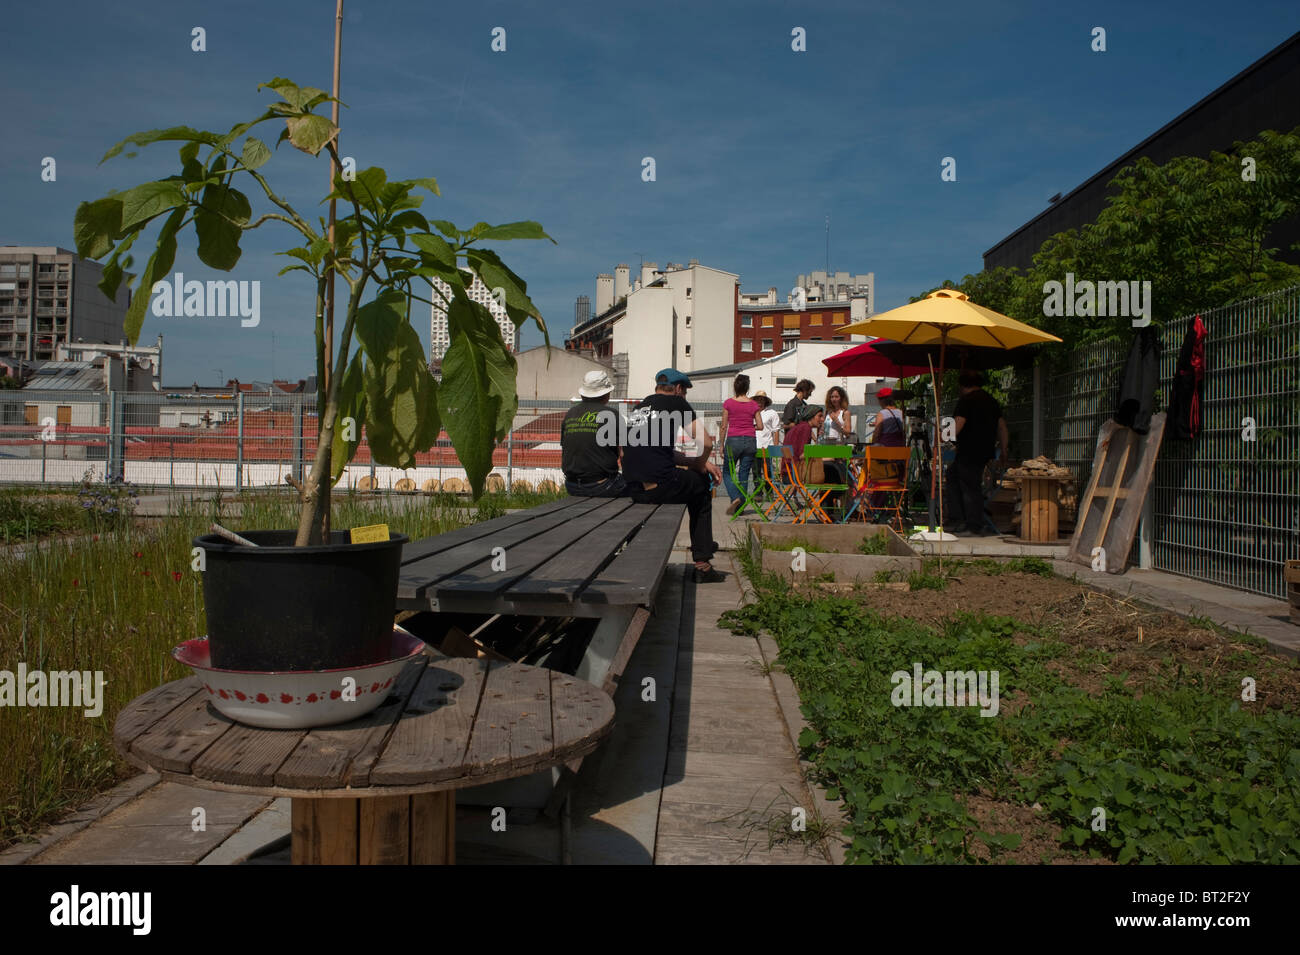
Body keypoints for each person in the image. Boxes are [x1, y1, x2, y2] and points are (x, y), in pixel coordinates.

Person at [623, 368, 726, 582]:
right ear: (678, 389)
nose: (685, 396)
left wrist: (696, 462)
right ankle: (703, 564)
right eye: (685, 392)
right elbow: (706, 441)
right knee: (701, 485)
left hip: (633, 487)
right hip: (661, 485)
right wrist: (700, 465)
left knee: (691, 477)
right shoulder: (676, 403)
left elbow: (659, 452)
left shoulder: (639, 408)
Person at [949, 371, 1009, 535]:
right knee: (954, 476)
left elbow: (958, 424)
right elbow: (1002, 426)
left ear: (962, 386)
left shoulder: (966, 401)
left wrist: (944, 435)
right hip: (986, 449)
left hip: (969, 450)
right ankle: (961, 518)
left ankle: (972, 525)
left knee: (970, 486)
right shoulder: (991, 401)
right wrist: (1004, 449)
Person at [561, 370, 627, 497]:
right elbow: (624, 454)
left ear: (583, 394)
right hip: (603, 485)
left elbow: (567, 448)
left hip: (571, 486)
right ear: (606, 394)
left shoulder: (570, 414)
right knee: (638, 487)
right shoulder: (612, 415)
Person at [719, 374, 763, 516]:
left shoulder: (728, 403)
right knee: (743, 475)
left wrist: (721, 445)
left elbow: (724, 426)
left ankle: (735, 497)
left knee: (727, 472)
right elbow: (761, 426)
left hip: (733, 440)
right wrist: (750, 428)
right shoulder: (754, 405)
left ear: (735, 386)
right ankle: (740, 508)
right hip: (750, 441)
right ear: (747, 387)